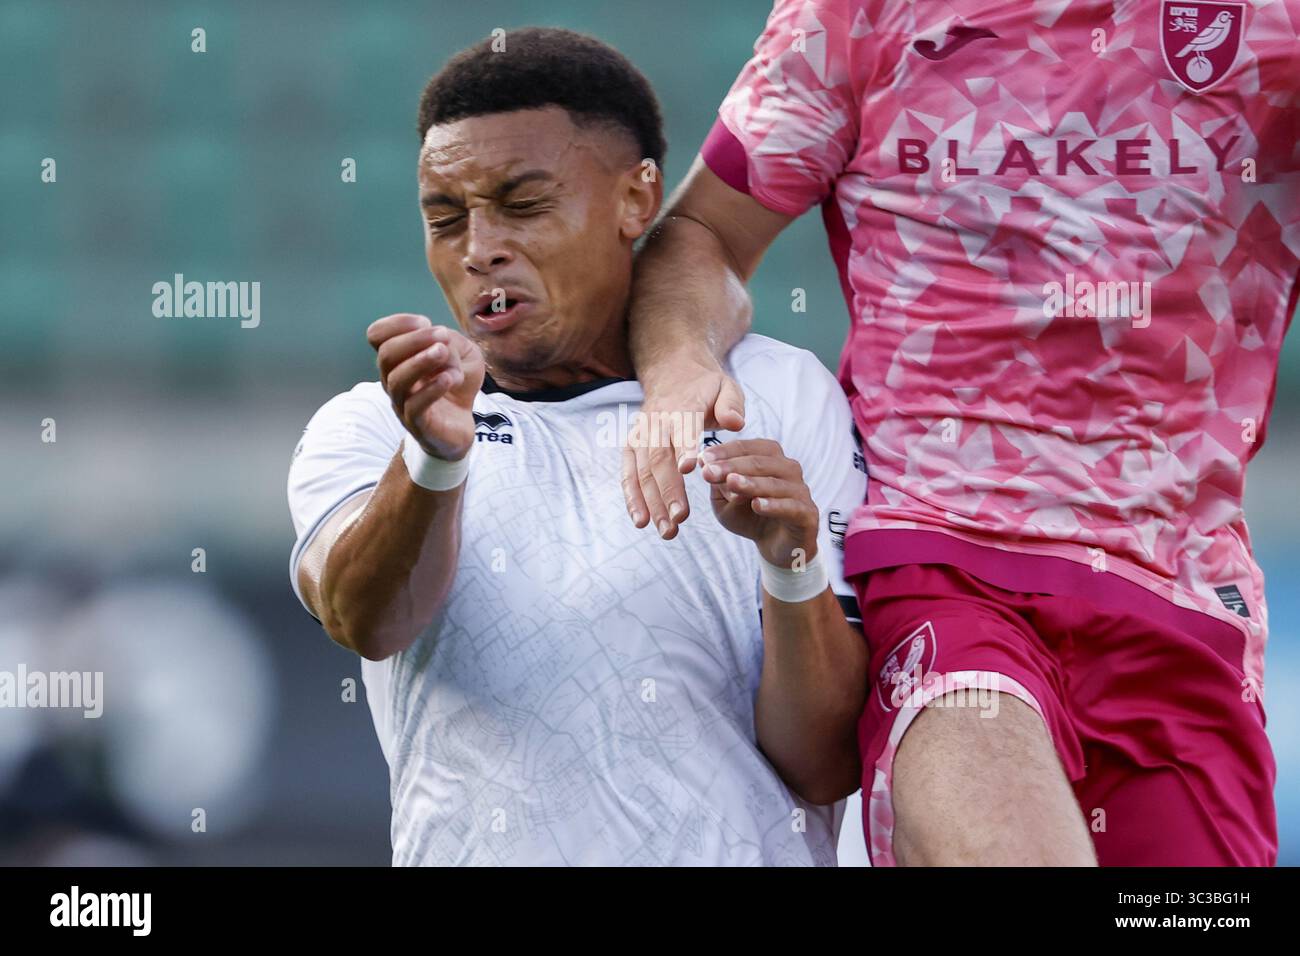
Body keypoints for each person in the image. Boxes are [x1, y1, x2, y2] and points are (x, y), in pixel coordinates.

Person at [623, 0, 1299, 865]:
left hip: (1182, 597)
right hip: (942, 561)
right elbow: (704, 231)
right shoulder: (858, 15)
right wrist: (682, 362)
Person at [286, 27, 869, 866]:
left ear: (638, 200)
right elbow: (366, 620)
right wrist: (435, 464)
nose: (479, 246)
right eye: (445, 218)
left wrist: (791, 564)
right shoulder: (376, 427)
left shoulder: (778, 395)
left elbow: (825, 766)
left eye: (522, 204)